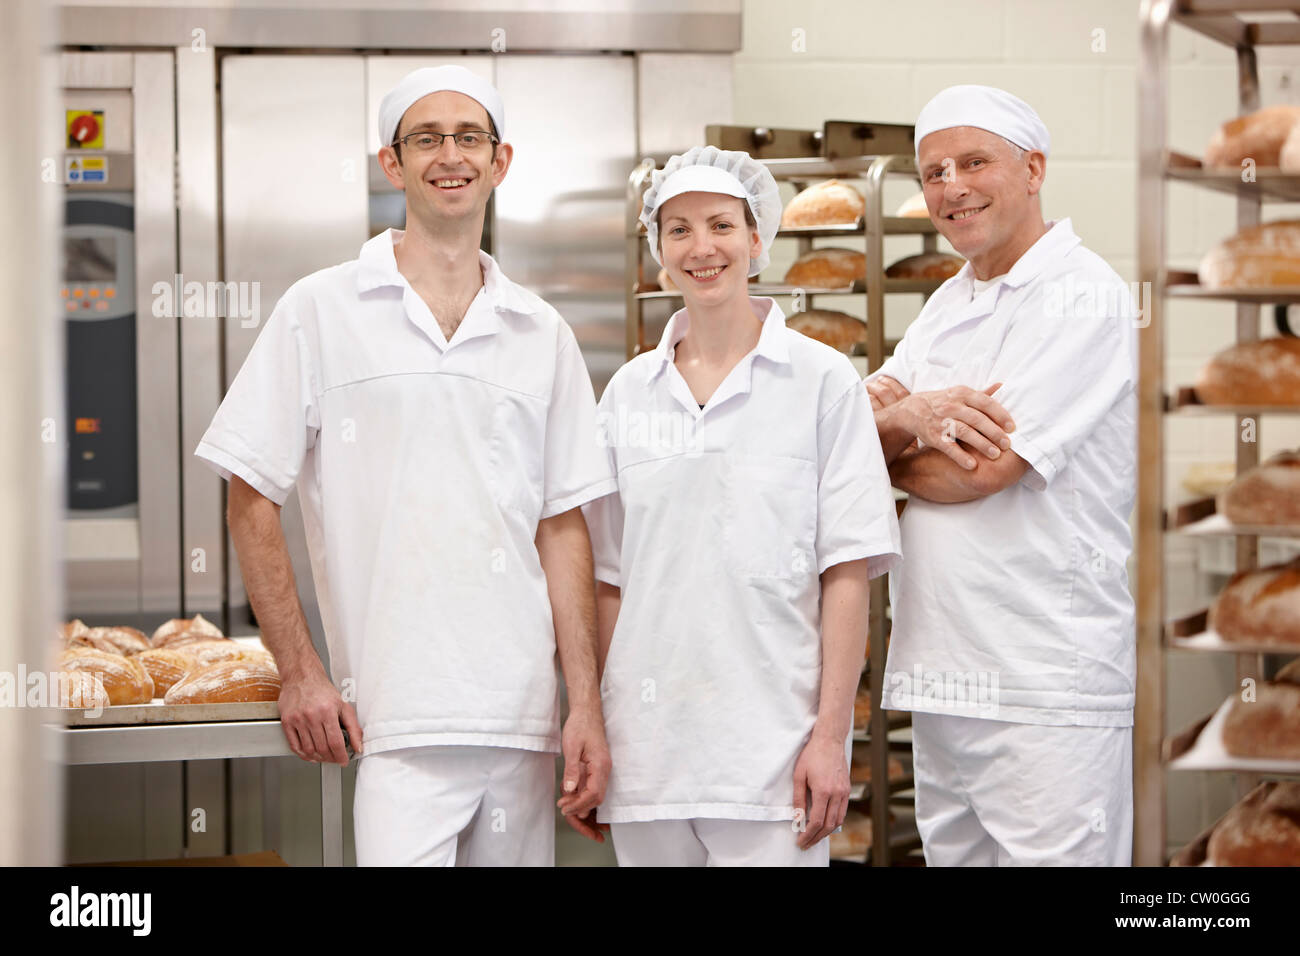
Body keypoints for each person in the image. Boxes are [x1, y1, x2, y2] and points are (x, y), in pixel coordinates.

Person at [193, 65, 618, 866]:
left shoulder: (541, 332)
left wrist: (584, 705)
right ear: (392, 164)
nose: (448, 156)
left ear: (501, 161)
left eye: (468, 138)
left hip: (520, 721)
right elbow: (250, 490)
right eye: (426, 139)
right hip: (389, 717)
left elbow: (563, 528)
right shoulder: (322, 309)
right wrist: (300, 671)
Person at [581, 146, 902, 866]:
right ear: (658, 249)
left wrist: (830, 738)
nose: (702, 248)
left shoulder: (822, 382)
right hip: (649, 753)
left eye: (722, 225)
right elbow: (606, 579)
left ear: (758, 241)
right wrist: (595, 726)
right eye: (679, 230)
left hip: (772, 756)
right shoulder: (628, 395)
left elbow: (846, 572)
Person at [865, 85, 1138, 866]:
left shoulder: (1083, 295)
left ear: (1034, 169)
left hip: (1044, 684)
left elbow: (982, 472)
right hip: (942, 673)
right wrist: (912, 423)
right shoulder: (949, 304)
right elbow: (853, 435)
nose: (951, 187)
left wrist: (895, 432)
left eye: (974, 162)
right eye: (934, 172)